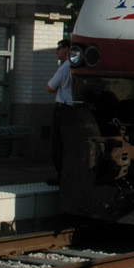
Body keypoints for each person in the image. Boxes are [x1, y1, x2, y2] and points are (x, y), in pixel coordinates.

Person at [46, 39, 73, 182]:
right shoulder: (76, 66)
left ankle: (60, 175)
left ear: (67, 49)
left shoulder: (64, 67)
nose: (57, 51)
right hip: (74, 108)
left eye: (60, 47)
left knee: (59, 143)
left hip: (63, 107)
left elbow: (50, 87)